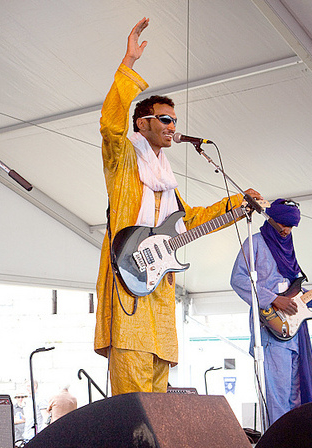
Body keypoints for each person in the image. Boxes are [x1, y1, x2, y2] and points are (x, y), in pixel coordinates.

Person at [93, 17, 261, 395]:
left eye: (175, 120)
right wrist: (128, 65)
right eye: (165, 119)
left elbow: (193, 219)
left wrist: (240, 202)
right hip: (128, 281)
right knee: (133, 394)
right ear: (143, 123)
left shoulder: (167, 179)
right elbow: (109, 125)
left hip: (160, 290)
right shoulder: (123, 160)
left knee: (158, 387)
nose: (172, 126)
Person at [230, 198, 312, 425]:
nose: (286, 230)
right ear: (271, 219)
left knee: (295, 398)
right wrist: (273, 299)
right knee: (277, 399)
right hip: (271, 331)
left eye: (291, 227)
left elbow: (292, 290)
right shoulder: (255, 243)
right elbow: (238, 280)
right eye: (283, 225)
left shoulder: (289, 248)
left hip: (295, 332)